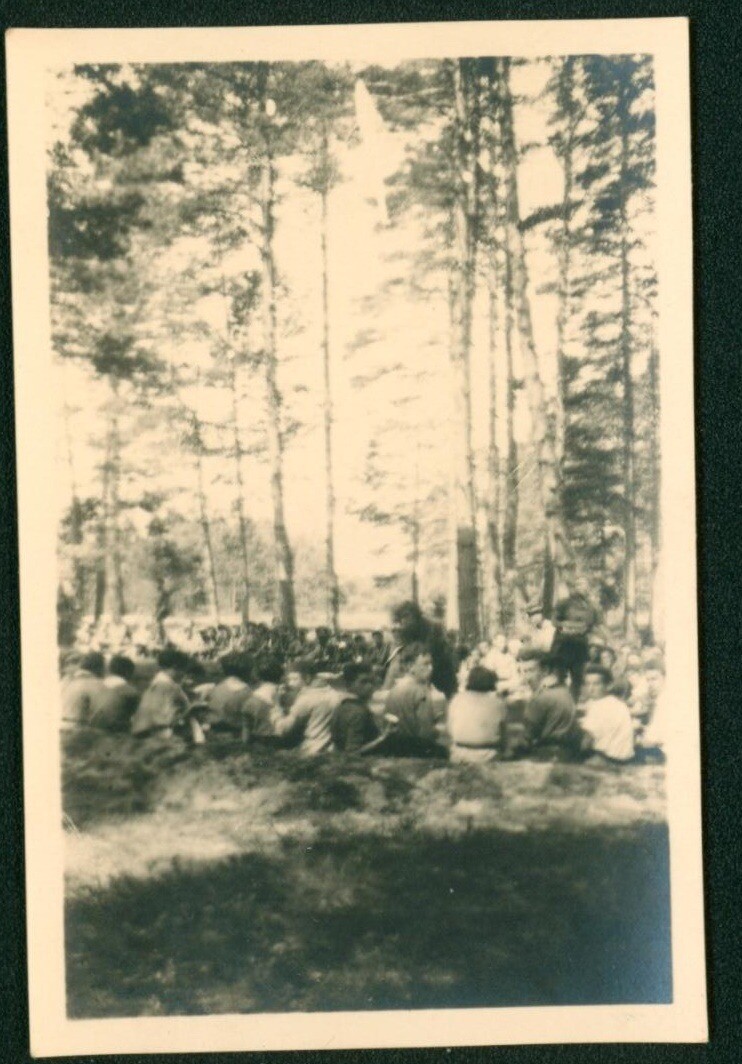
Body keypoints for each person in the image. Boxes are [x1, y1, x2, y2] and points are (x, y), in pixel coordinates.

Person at [383, 600, 457, 698]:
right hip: (419, 667)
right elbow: (400, 653)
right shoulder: (404, 630)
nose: (404, 620)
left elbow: (430, 650)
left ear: (416, 616)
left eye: (407, 616)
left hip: (441, 667)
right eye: (402, 617)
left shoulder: (433, 626)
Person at [270, 659, 345, 755]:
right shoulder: (334, 693)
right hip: (330, 748)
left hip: (310, 749)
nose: (290, 683)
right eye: (289, 679)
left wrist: (276, 705)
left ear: (307, 678)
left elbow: (282, 730)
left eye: (294, 679)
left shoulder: (306, 699)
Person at [383, 642, 444, 756]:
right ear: (410, 666)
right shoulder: (420, 690)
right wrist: (435, 730)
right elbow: (426, 733)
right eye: (425, 664)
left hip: (395, 749)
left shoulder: (396, 688)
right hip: (416, 750)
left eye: (431, 663)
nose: (431, 668)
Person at [517, 647, 579, 759]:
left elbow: (527, 737)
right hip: (567, 753)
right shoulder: (564, 690)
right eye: (524, 672)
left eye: (530, 671)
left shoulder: (541, 697)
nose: (526, 677)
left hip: (546, 755)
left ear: (545, 670)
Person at [447, 665, 506, 763]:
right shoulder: (497, 702)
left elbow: (450, 729)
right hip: (488, 754)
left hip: (460, 753)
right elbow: (503, 734)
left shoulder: (457, 699)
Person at [578, 665, 635, 764]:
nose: (590, 689)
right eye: (587, 684)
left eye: (596, 684)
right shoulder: (619, 704)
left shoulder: (598, 705)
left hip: (606, 760)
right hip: (626, 760)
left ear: (609, 685)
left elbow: (586, 742)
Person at [551, 578, 599, 697]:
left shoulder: (591, 606)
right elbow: (554, 621)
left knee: (578, 679)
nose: (581, 588)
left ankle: (573, 704)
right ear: (573, 588)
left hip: (580, 646)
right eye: (578, 585)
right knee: (559, 678)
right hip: (563, 645)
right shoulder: (563, 603)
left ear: (588, 588)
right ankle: (560, 703)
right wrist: (566, 627)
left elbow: (594, 625)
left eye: (584, 585)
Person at [130, 648, 190, 738]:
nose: (184, 674)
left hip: (143, 730)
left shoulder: (156, 682)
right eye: (183, 670)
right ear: (175, 667)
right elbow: (183, 708)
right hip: (157, 734)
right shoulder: (168, 686)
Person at [331, 663, 380, 753]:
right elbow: (352, 751)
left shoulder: (342, 705)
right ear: (349, 685)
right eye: (363, 682)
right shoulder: (359, 712)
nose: (370, 686)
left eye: (372, 682)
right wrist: (383, 737)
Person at [88, 654, 140, 732]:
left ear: (109, 670)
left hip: (92, 729)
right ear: (128, 672)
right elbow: (138, 716)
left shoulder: (95, 686)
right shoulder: (130, 691)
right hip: (115, 733)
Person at [207, 652, 254, 738]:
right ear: (247, 671)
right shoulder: (248, 693)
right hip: (237, 738)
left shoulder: (215, 689)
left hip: (212, 736)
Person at [61, 651, 105, 729]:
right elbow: (101, 712)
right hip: (78, 728)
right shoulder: (96, 684)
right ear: (100, 667)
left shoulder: (66, 681)